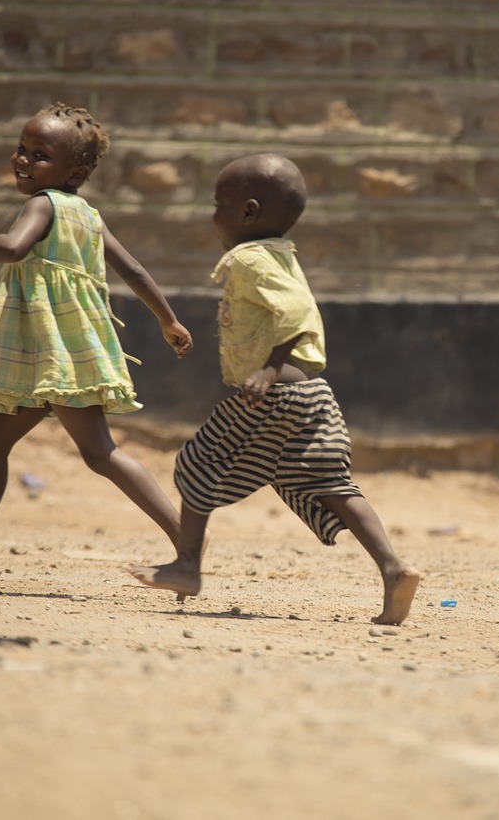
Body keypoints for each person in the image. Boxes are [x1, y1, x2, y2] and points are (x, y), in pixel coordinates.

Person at [0, 102, 193, 582]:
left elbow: (15, 247)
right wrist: (168, 320)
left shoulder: (43, 205)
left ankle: (189, 545)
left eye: (39, 155)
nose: (22, 160)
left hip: (53, 353)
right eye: (22, 148)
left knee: (100, 452)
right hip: (49, 351)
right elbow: (135, 271)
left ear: (75, 171)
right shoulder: (89, 216)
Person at [128, 153, 421, 624]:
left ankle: (187, 566)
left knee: (198, 464)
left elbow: (297, 311)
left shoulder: (248, 258)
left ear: (247, 212)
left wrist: (268, 369)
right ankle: (392, 567)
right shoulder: (282, 254)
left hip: (275, 392)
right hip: (313, 394)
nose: (212, 214)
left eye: (218, 203)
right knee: (330, 483)